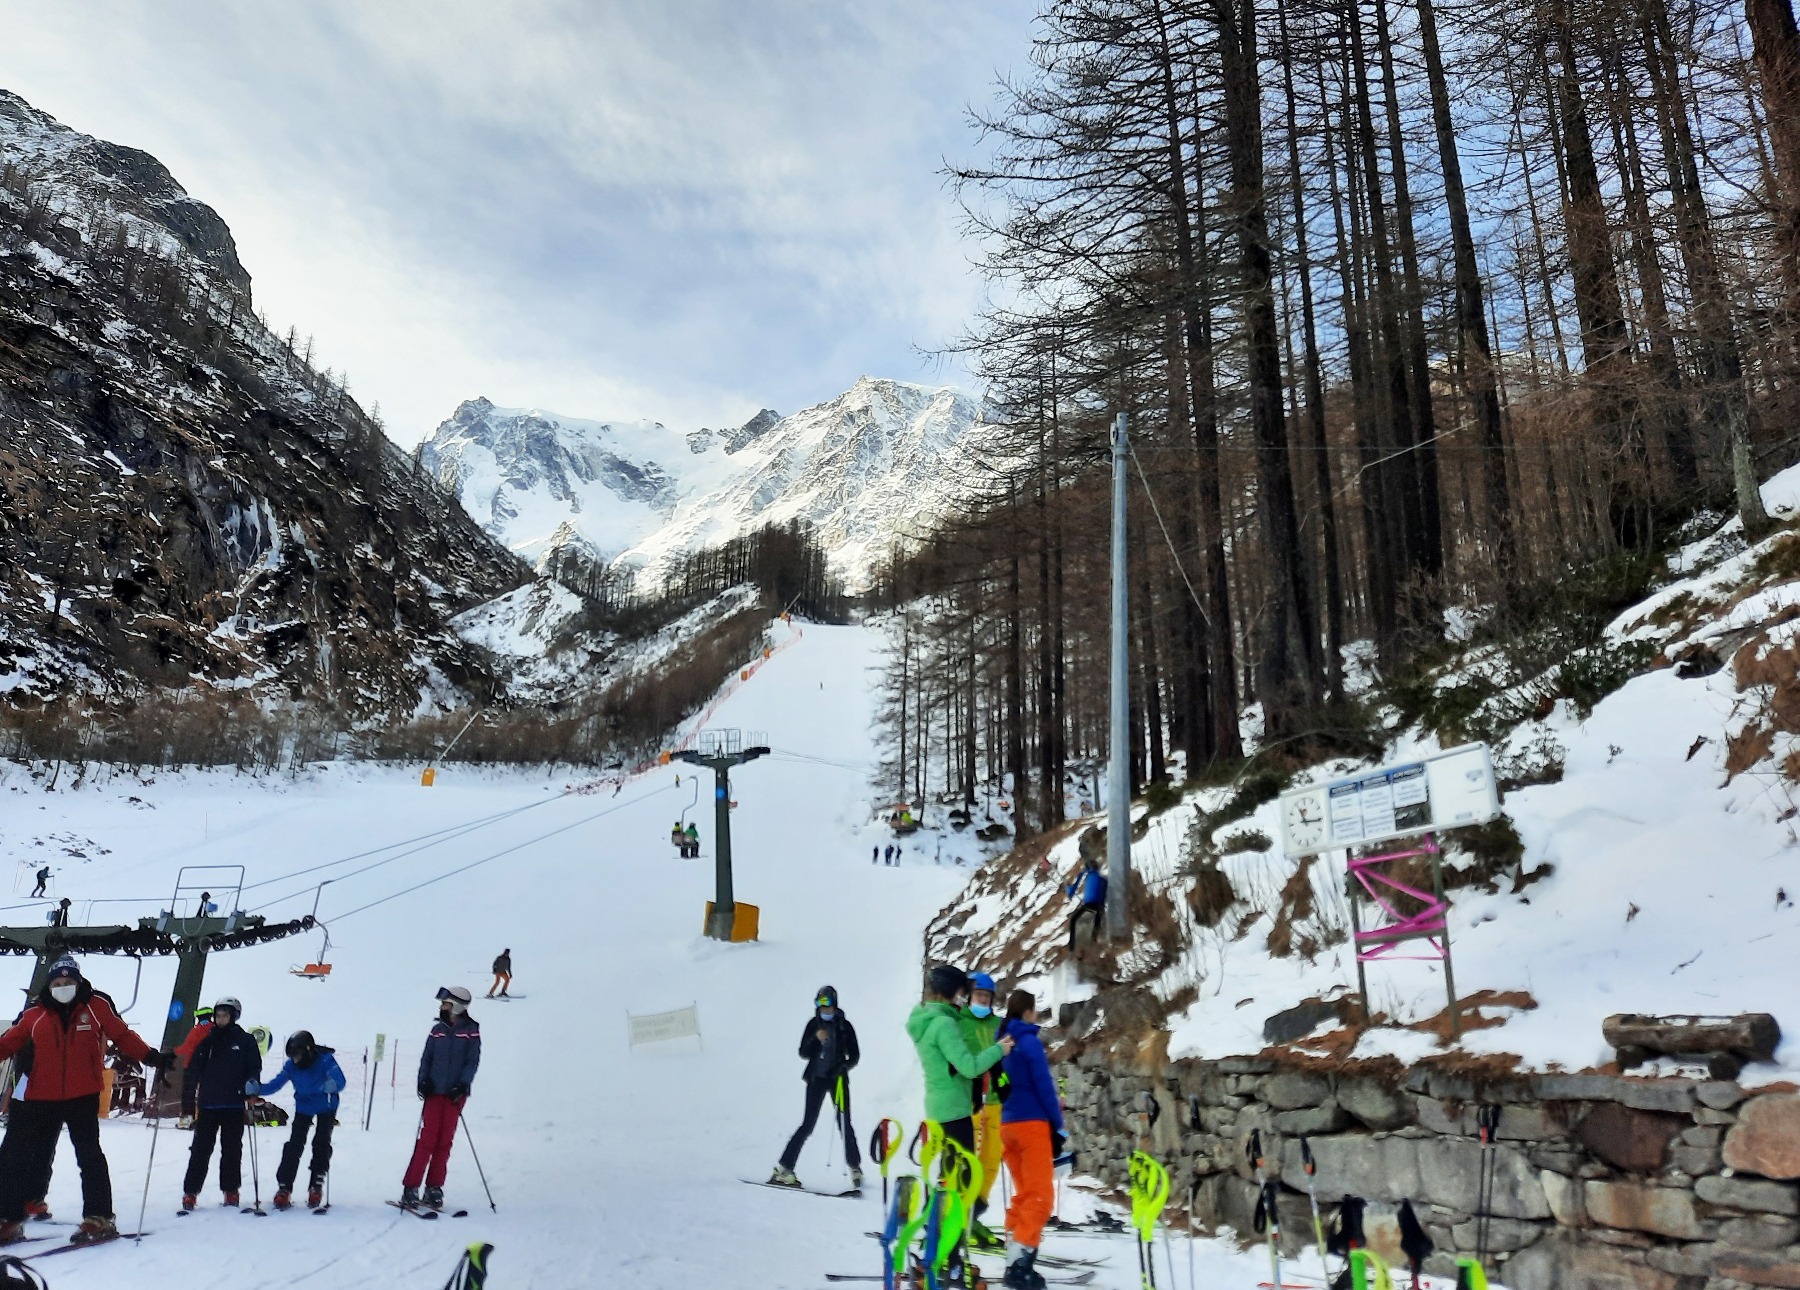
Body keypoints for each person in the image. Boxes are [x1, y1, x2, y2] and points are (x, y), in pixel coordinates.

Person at [0, 955, 168, 1244]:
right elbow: (9, 1042)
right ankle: (9, 1218)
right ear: (49, 985)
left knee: (89, 1156)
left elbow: (122, 1034)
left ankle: (98, 1217)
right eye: (57, 982)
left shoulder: (96, 1007)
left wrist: (151, 1057)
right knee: (14, 1157)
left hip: (82, 1095)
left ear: (78, 983)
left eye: (68, 982)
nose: (63, 987)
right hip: (40, 1097)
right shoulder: (34, 1014)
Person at [906, 965, 1012, 1164]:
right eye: (962, 994)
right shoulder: (944, 1024)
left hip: (938, 1106)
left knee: (949, 1176)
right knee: (963, 1180)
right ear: (951, 992)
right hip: (954, 1109)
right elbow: (969, 1067)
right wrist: (998, 1050)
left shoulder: (926, 1020)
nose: (963, 1000)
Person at [997, 989, 1064, 1290]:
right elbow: (1044, 1087)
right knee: (1040, 1196)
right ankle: (1021, 1264)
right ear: (1028, 1012)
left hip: (1007, 1124)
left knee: (1024, 1193)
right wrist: (1057, 1125)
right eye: (1035, 1011)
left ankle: (1013, 1257)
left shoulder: (1003, 1042)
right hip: (1031, 1124)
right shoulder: (1028, 1042)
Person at [769, 986, 862, 1190]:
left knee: (845, 1123)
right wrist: (815, 1039)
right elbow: (803, 1052)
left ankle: (855, 1167)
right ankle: (785, 1167)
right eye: (819, 1004)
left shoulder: (845, 1027)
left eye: (826, 1004)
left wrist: (843, 1066)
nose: (823, 1009)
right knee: (807, 1124)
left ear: (834, 1004)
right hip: (816, 1079)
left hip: (838, 1080)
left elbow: (854, 1055)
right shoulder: (813, 1025)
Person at [400, 985, 480, 1211]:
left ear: (456, 1005)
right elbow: (427, 1058)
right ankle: (411, 1187)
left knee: (444, 1142)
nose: (441, 1007)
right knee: (427, 1140)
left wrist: (463, 1084)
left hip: (455, 1095)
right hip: (435, 1092)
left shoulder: (471, 1030)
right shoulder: (437, 1030)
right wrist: (423, 1081)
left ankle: (434, 1186)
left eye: (445, 1003)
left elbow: (471, 1061)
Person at [180, 996, 262, 1209]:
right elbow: (194, 1067)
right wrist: (182, 1085)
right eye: (218, 1015)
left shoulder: (245, 1041)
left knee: (232, 1149)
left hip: (233, 1104)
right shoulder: (208, 1040)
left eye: (225, 1015)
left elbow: (254, 1066)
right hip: (208, 1104)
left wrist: (253, 1084)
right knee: (200, 1149)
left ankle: (231, 1191)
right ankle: (190, 1192)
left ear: (234, 1016)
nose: (221, 1019)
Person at [253, 1031, 344, 1210]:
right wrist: (259, 1089)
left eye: (297, 1055)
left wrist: (333, 1085)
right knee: (294, 1144)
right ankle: (284, 1187)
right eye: (292, 1056)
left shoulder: (325, 1061)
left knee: (321, 1142)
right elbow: (276, 1084)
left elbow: (340, 1080)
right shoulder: (291, 1066)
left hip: (326, 1105)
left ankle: (316, 1183)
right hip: (304, 1106)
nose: (294, 1060)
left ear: (308, 1051)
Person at [958, 972, 1006, 1240]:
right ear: (970, 996)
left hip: (996, 1100)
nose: (982, 1000)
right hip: (971, 1100)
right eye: (978, 995)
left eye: (986, 997)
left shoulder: (998, 1024)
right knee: (968, 1160)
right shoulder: (958, 1021)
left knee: (991, 1159)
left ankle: (974, 1212)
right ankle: (952, 1214)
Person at [175, 1004, 216, 1128]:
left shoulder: (197, 1030)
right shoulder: (215, 1030)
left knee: (188, 1092)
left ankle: (188, 1116)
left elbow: (187, 1047)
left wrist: (173, 1052)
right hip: (211, 1067)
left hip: (192, 1066)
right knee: (207, 1092)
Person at [1066, 859, 1106, 949]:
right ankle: (1093, 943)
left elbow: (1071, 892)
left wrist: (1068, 887)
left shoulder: (1086, 875)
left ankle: (1072, 946)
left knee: (1073, 919)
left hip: (1088, 904)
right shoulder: (1102, 878)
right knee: (1096, 923)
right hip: (1098, 906)